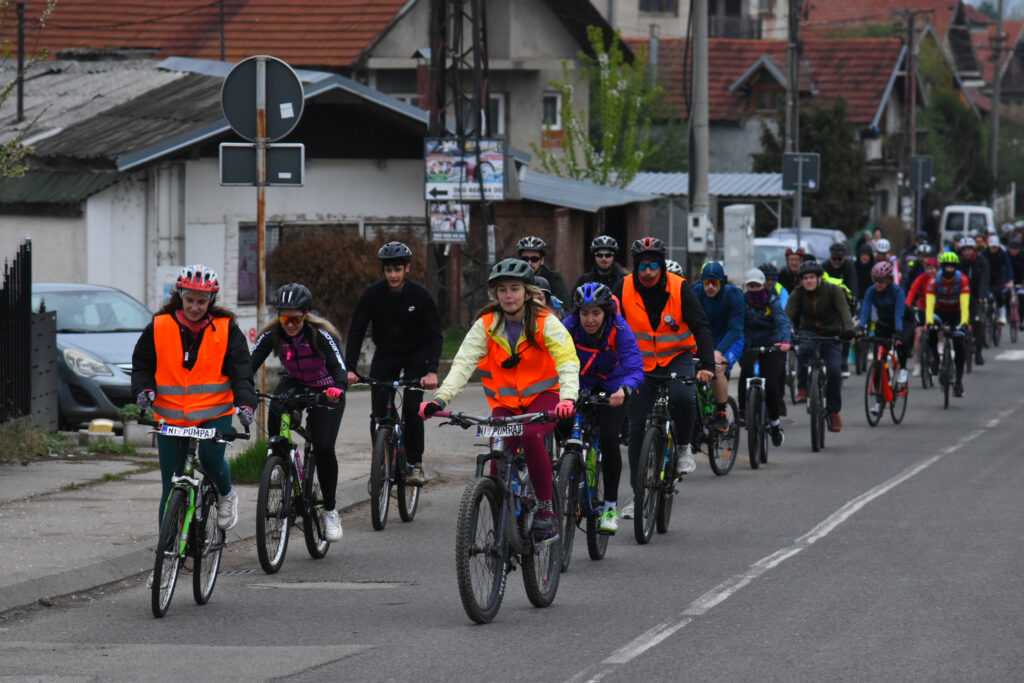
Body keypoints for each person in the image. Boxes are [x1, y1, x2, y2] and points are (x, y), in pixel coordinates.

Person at [419, 258, 580, 538]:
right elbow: (463, 364)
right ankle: (503, 523)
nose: (509, 295)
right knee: (498, 456)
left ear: (527, 292)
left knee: (530, 437)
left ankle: (545, 509)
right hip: (505, 405)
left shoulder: (547, 323)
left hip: (545, 399)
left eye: (515, 288)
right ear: (495, 294)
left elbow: (567, 361)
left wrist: (567, 399)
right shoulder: (486, 324)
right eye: (502, 289)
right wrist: (440, 400)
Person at [131, 265, 256, 588]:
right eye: (189, 300)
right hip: (170, 416)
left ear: (211, 300)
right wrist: (143, 391)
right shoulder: (159, 325)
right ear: (180, 297)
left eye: (202, 301)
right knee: (171, 486)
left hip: (213, 412)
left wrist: (245, 405)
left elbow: (242, 372)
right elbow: (143, 365)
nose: (195, 307)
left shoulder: (226, 328)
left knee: (213, 461)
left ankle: (226, 494)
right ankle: (167, 558)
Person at [613, 237, 714, 519]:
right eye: (642, 266)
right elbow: (609, 324)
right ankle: (637, 495)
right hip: (639, 363)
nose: (647, 272)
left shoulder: (679, 287)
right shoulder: (623, 287)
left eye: (653, 265)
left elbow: (700, 325)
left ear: (661, 265)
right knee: (635, 428)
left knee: (683, 396)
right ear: (636, 266)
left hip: (677, 355)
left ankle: (683, 447)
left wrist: (707, 364)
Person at [251, 283, 347, 542]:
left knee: (324, 447)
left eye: (295, 318)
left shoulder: (320, 334)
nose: (289, 324)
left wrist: (338, 387)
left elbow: (339, 366)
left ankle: (329, 511)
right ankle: (278, 461)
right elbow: (249, 362)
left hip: (326, 388)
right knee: (276, 404)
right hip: (294, 382)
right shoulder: (274, 334)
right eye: (284, 317)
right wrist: (241, 387)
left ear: (305, 315)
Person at [346, 242, 442, 486]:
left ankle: (414, 464)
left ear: (407, 268)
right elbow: (356, 331)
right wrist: (350, 368)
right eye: (388, 270)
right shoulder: (373, 294)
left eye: (398, 269)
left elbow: (435, 335)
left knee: (412, 408)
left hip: (416, 355)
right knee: (378, 413)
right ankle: (379, 463)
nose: (393, 275)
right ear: (384, 271)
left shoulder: (420, 296)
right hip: (386, 354)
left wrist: (431, 370)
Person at [561, 282, 644, 534]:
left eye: (595, 313)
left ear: (606, 312)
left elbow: (635, 367)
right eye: (584, 313)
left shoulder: (619, 328)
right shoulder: (568, 326)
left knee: (609, 436)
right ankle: (569, 470)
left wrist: (625, 389)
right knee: (560, 421)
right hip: (578, 385)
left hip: (613, 388)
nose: (589, 319)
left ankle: (609, 507)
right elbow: (549, 356)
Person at [785, 260, 855, 432]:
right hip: (808, 331)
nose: (808, 281)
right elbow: (786, 317)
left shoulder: (834, 291)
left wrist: (849, 330)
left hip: (832, 333)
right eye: (804, 278)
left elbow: (845, 313)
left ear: (819, 278)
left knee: (834, 371)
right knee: (804, 350)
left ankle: (833, 413)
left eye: (811, 277)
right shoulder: (798, 293)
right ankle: (802, 387)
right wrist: (784, 336)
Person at [737, 268, 791, 447]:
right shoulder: (742, 302)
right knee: (745, 370)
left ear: (763, 286)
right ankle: (743, 413)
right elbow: (737, 325)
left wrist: (784, 341)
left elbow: (782, 322)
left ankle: (775, 425)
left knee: (772, 386)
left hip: (771, 346)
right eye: (750, 285)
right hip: (750, 345)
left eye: (757, 285)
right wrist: (740, 343)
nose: (754, 288)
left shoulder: (772, 301)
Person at [693, 261, 744, 433]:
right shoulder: (696, 293)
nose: (710, 287)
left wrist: (718, 351)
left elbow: (735, 328)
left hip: (731, 339)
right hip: (706, 340)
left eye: (715, 283)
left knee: (717, 368)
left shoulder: (734, 295)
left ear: (722, 282)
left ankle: (721, 413)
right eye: (707, 282)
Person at [858, 262, 914, 401]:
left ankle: (903, 369)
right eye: (875, 280)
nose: (878, 284)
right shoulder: (871, 291)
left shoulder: (897, 291)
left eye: (882, 281)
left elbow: (899, 314)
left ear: (889, 280)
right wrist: (860, 328)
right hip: (884, 323)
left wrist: (899, 333)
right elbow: (865, 310)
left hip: (902, 322)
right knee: (878, 360)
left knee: (902, 342)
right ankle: (880, 396)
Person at [926, 251, 971, 397]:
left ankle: (958, 381)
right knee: (931, 333)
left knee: (959, 345)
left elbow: (965, 303)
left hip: (957, 314)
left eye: (952, 267)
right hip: (940, 312)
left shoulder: (962, 279)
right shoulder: (934, 280)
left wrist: (964, 322)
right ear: (942, 267)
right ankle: (936, 358)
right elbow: (929, 303)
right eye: (947, 267)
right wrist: (929, 322)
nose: (950, 269)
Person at [957, 238, 990, 366]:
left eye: (969, 249)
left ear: (974, 250)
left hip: (977, 296)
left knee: (979, 323)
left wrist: (982, 295)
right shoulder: (959, 262)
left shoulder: (982, 262)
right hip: (961, 296)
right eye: (964, 250)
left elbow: (984, 279)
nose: (967, 252)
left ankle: (979, 352)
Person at [905, 257, 939, 376]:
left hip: (936, 309)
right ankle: (918, 364)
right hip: (922, 309)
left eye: (932, 268)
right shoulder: (921, 279)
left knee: (939, 329)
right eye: (927, 268)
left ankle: (939, 348)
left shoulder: (939, 279)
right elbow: (912, 292)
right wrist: (907, 306)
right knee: (918, 335)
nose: (929, 271)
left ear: (936, 269)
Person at [517, 235, 569, 303]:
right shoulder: (515, 278)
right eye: (525, 259)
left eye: (534, 259)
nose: (529, 263)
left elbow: (564, 307)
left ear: (542, 260)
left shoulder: (553, 278)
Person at [984, 235, 1014, 326]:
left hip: (999, 277)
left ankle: (1002, 313)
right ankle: (987, 315)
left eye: (995, 247)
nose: (993, 249)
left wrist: (1010, 280)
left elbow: (1008, 267)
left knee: (1000, 294)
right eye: (992, 247)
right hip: (987, 276)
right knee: (986, 296)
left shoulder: (1002, 253)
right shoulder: (984, 254)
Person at [1008, 238, 1024, 329]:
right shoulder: (1006, 256)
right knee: (1006, 295)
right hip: (1010, 281)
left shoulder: (1022, 256)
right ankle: (1007, 314)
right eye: (1012, 249)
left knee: (1022, 298)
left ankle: (1021, 320)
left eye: (1015, 249)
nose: (1013, 251)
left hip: (1021, 281)